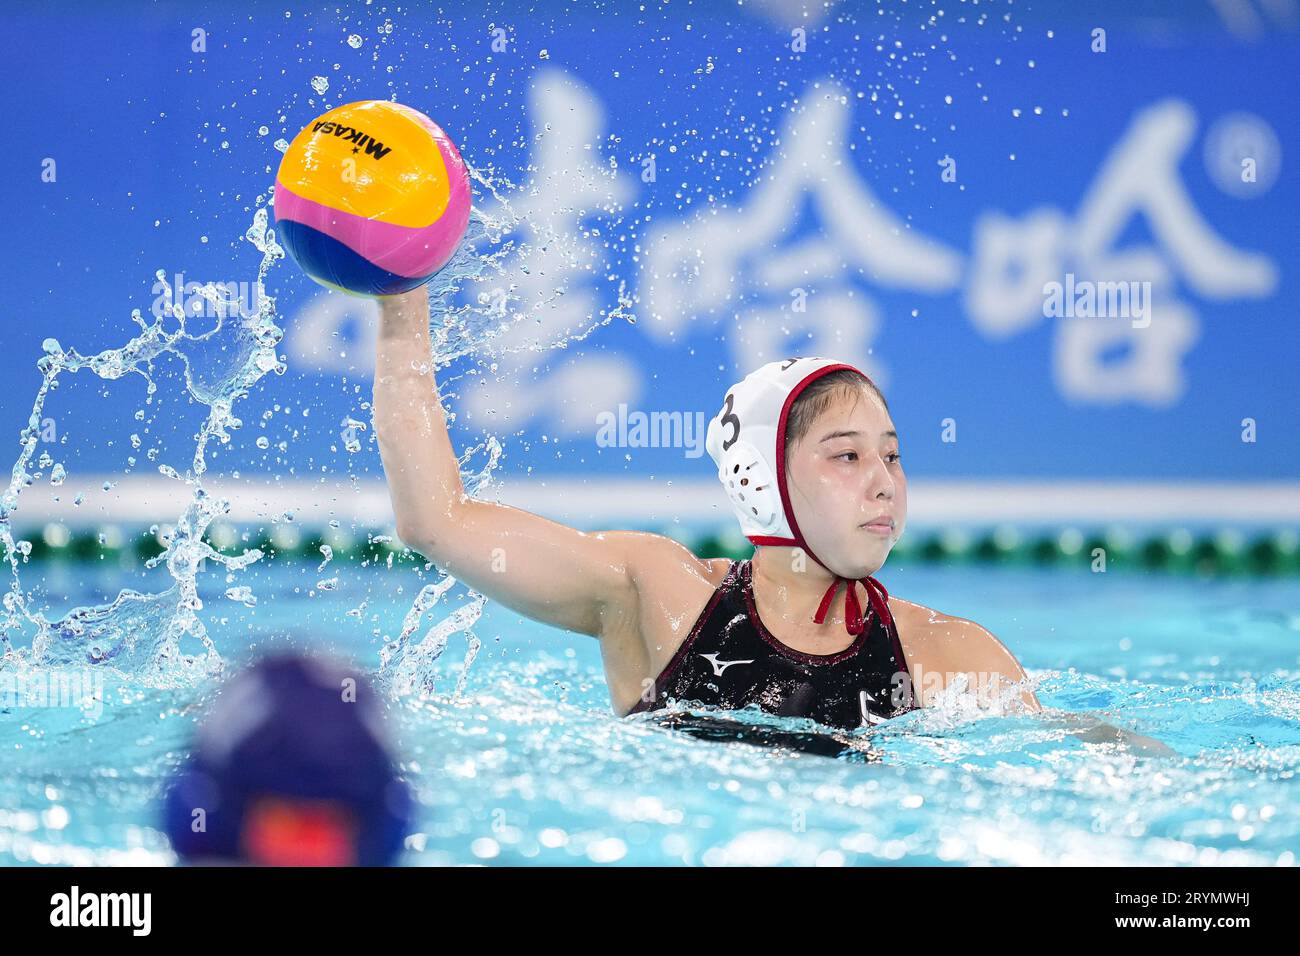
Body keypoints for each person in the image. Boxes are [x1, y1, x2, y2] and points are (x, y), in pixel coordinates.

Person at [373, 284, 1172, 755]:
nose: (885, 484)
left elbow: (1077, 766)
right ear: (762, 478)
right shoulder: (660, 597)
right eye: (847, 457)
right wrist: (402, 315)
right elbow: (437, 521)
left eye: (891, 456)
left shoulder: (949, 652)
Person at [162, 652, 414, 865]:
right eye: (285, 822)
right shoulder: (206, 831)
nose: (305, 852)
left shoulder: (378, 832)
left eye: (326, 823)